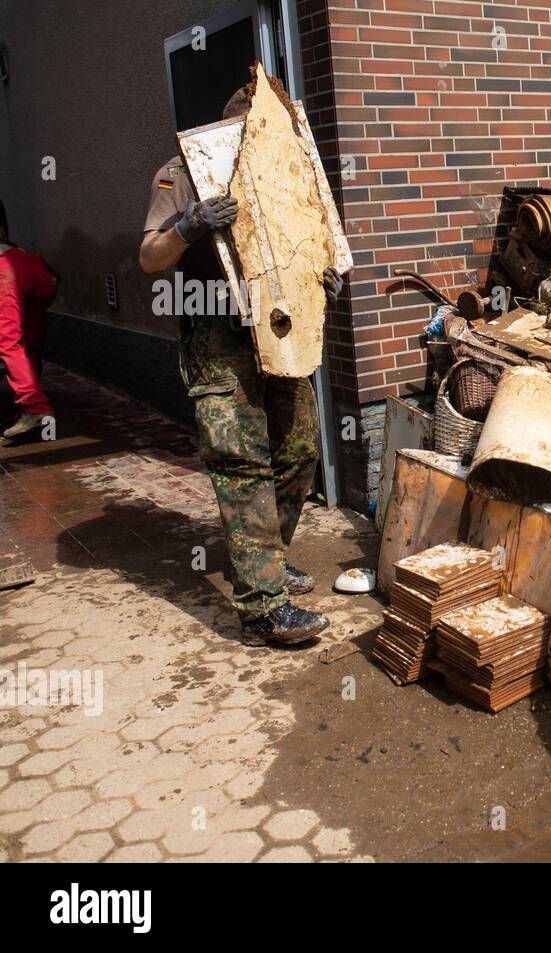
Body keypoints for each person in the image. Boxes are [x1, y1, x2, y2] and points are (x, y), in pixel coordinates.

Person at [139, 86, 345, 648]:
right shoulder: (184, 169)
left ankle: (262, 562)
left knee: (300, 449)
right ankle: (262, 608)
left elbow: (311, 237)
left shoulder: (287, 168)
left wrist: (324, 275)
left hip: (280, 326)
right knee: (241, 462)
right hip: (217, 335)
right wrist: (189, 225)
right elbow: (149, 258)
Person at [0, 199, 59, 440]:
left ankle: (35, 407)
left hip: (7, 272)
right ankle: (32, 400)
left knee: (8, 341)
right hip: (36, 268)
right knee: (30, 340)